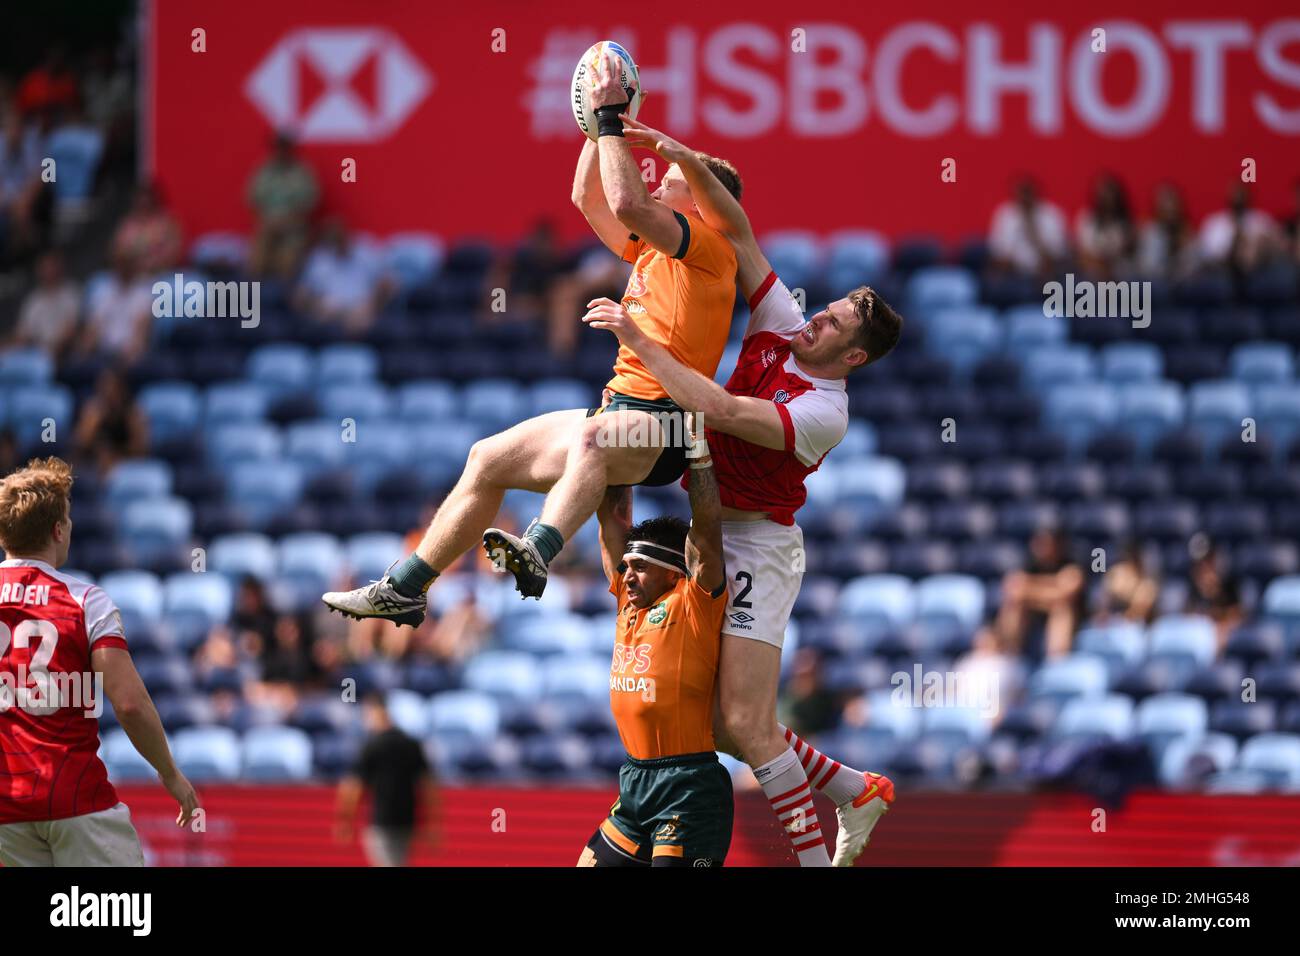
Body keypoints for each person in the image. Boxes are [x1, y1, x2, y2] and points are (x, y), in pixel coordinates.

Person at [580, 113, 901, 867]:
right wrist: (680, 156)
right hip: (712, 526)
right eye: (824, 306)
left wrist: (639, 341)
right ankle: (856, 790)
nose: (813, 315)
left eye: (833, 322)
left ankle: (816, 858)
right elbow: (743, 235)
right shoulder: (784, 322)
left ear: (852, 355)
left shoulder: (825, 414)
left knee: (747, 728)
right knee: (723, 725)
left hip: (757, 542)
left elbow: (719, 411)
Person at [322, 49, 740, 622]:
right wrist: (596, 123)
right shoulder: (651, 248)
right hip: (621, 408)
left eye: (669, 184)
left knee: (593, 443)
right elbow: (589, 199)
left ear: (704, 203)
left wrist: (615, 117)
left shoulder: (711, 250)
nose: (657, 187)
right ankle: (406, 587)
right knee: (487, 457)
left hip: (670, 423)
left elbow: (626, 201)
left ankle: (539, 551)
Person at [0, 457, 198, 866]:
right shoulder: (86, 602)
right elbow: (128, 703)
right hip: (76, 800)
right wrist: (170, 775)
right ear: (58, 530)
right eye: (68, 518)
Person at [578, 415, 733, 867]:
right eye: (626, 566)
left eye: (639, 567)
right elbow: (613, 516)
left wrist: (698, 450)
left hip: (688, 786)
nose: (626, 576)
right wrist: (612, 431)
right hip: (635, 781)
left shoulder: (694, 601)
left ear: (674, 571)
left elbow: (706, 529)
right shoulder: (629, 605)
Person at [335, 694, 438, 866]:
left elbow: (353, 787)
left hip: (381, 822)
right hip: (407, 821)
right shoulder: (411, 744)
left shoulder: (371, 746)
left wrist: (345, 819)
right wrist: (433, 822)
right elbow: (428, 787)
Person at [996, 525, 1085, 660]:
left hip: (1075, 618)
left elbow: (1067, 593)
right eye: (1038, 543)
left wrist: (1030, 587)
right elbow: (1012, 588)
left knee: (1061, 608)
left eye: (1046, 543)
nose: (1041, 548)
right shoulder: (1028, 563)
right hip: (1034, 613)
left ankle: (1056, 661)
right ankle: (1009, 656)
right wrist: (1055, 585)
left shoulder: (1072, 561)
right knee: (1014, 605)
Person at [246, 131, 319, 280]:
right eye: (278, 147)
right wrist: (270, 222)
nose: (280, 151)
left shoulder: (302, 173)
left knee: (288, 258)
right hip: (268, 227)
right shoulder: (264, 172)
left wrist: (285, 222)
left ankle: (284, 295)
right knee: (257, 255)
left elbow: (309, 204)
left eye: (284, 147)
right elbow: (252, 200)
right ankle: (252, 295)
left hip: (293, 230)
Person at [988, 175, 1069, 278]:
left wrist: (1032, 229)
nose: (1024, 197)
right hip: (1013, 272)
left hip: (1045, 273)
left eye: (1027, 192)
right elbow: (997, 252)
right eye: (1021, 193)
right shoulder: (1005, 214)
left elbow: (1058, 253)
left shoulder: (1051, 214)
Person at [1075, 173, 1136, 278]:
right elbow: (1083, 255)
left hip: (1123, 275)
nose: (1107, 198)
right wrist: (1102, 267)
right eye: (1102, 193)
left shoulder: (1127, 223)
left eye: (1110, 193)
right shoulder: (1087, 219)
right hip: (1093, 276)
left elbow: (1129, 253)